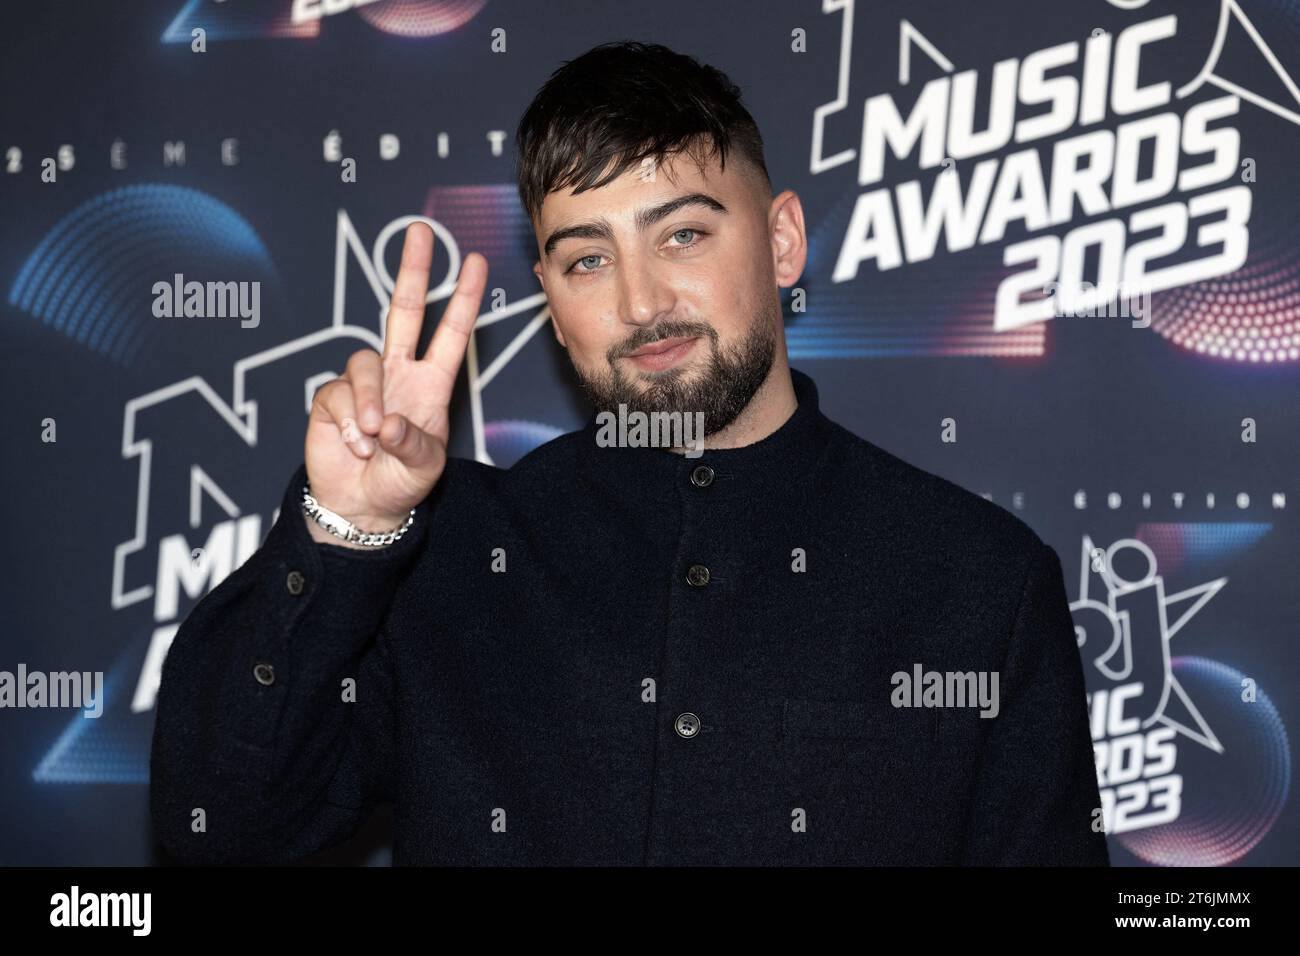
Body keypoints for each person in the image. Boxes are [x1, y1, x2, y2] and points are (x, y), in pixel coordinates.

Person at [150, 41, 1109, 866]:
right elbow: (220, 831)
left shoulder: (978, 581)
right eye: (588, 259)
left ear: (781, 243)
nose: (642, 303)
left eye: (684, 234)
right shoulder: (441, 552)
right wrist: (348, 534)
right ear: (551, 304)